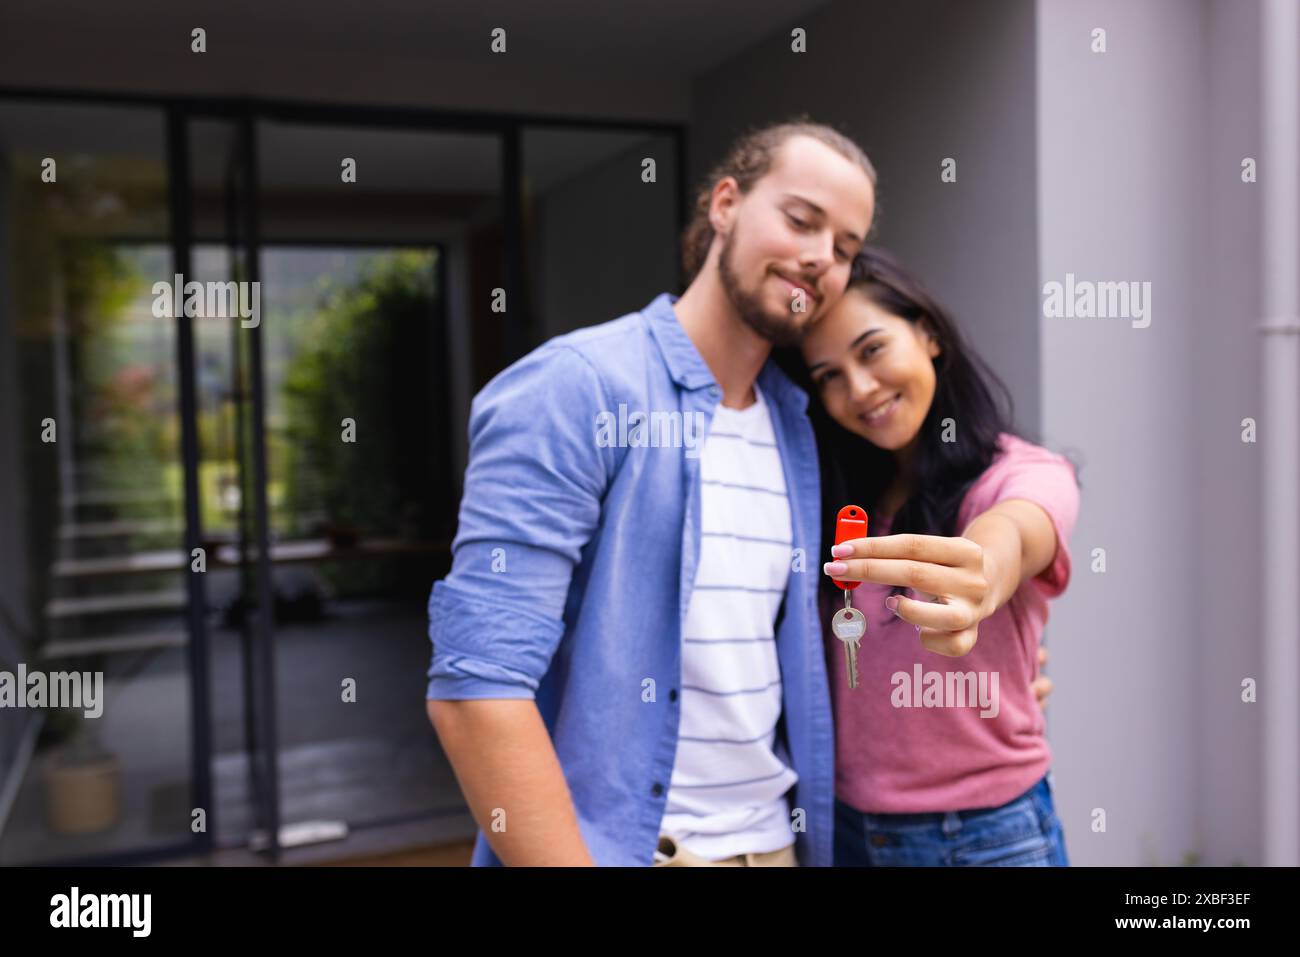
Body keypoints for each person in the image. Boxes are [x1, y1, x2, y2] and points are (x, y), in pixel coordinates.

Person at [425, 120, 877, 866]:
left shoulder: (802, 424)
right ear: (725, 204)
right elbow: (477, 695)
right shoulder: (577, 386)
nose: (820, 257)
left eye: (846, 248)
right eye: (801, 220)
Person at [786, 245, 1080, 866]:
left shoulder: (1019, 474)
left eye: (871, 350)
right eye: (828, 376)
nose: (859, 389)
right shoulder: (828, 499)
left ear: (930, 335)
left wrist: (980, 579)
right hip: (844, 832)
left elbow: (1015, 532)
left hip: (985, 837)